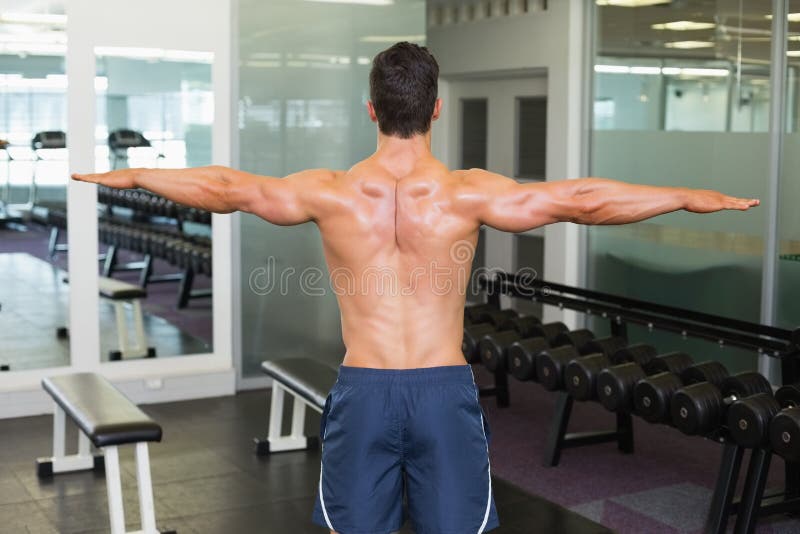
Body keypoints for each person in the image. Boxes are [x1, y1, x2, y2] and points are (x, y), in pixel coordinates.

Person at [73, 42, 758, 534]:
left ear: (371, 110)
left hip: (364, 390)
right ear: (437, 111)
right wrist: (686, 196)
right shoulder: (467, 193)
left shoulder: (330, 192)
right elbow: (581, 199)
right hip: (441, 389)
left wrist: (135, 176)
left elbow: (225, 188)